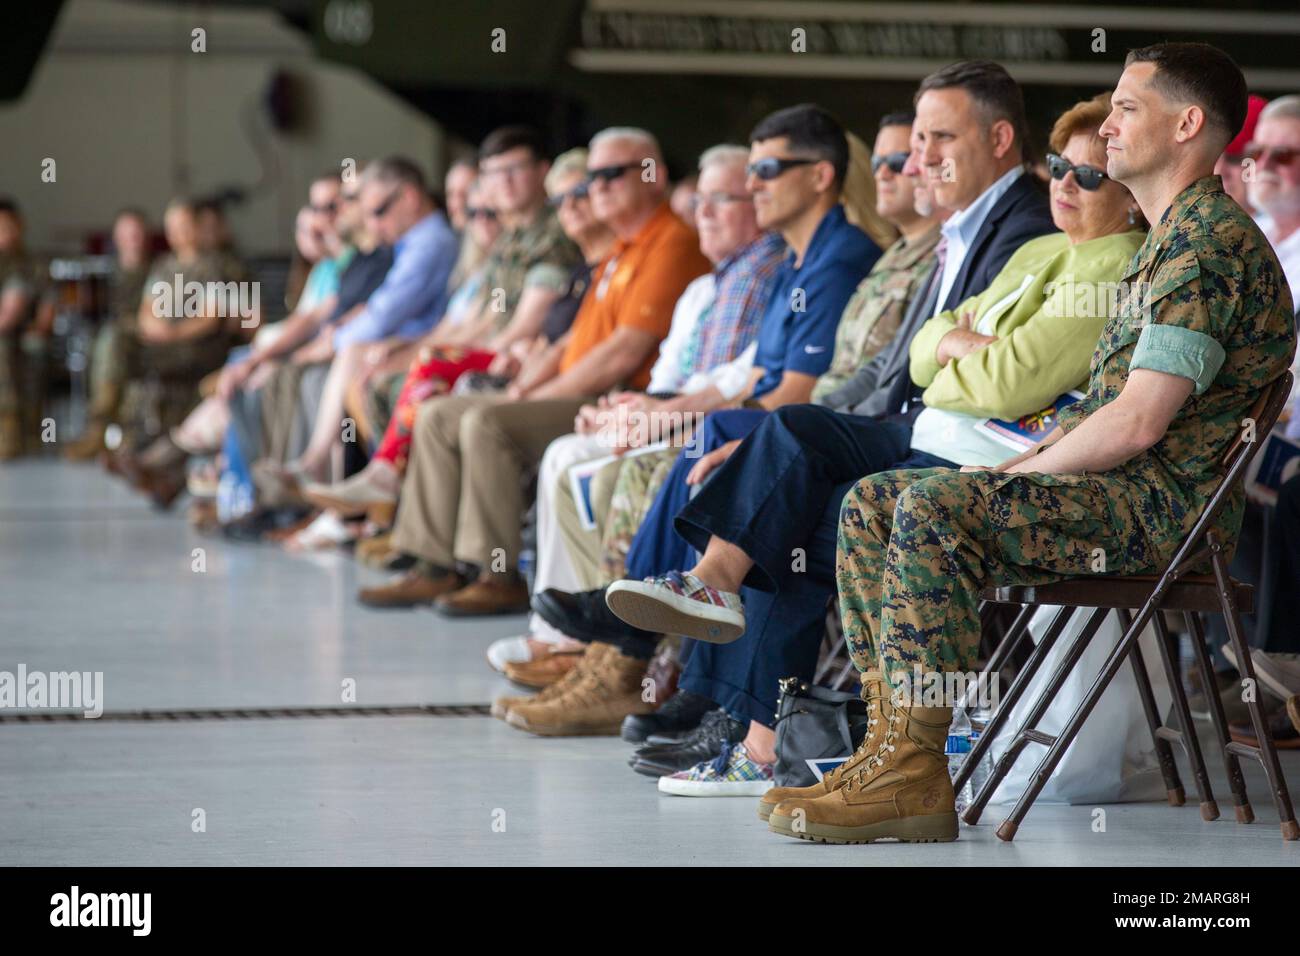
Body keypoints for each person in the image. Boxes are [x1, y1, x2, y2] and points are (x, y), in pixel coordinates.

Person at [766, 41, 1292, 845]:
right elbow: (1114, 410)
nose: (1107, 126)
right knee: (876, 502)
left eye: (1126, 107)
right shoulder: (1170, 235)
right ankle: (891, 750)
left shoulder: (1207, 245)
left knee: (934, 510)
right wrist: (1022, 466)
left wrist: (1027, 468)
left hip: (1159, 514)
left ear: (1187, 125)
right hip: (1121, 496)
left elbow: (1139, 421)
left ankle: (913, 775)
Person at [600, 93, 1146, 794]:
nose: (1065, 187)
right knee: (790, 430)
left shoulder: (1111, 265)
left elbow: (1014, 380)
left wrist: (959, 351)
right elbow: (919, 350)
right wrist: (954, 345)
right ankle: (713, 590)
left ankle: (759, 740)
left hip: (984, 456)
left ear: (1129, 196)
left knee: (788, 511)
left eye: (1089, 176)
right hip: (927, 429)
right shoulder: (1042, 247)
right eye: (1058, 169)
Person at [537, 62, 1058, 745]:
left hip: (966, 443)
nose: (919, 159)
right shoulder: (950, 232)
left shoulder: (1020, 226)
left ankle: (740, 722)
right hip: (917, 425)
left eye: (937, 139)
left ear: (998, 139)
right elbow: (897, 363)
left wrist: (801, 433)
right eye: (914, 142)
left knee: (783, 489)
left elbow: (965, 370)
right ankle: (739, 712)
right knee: (776, 461)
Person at [357, 126, 710, 616]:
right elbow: (568, 341)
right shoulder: (622, 248)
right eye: (591, 179)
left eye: (611, 175)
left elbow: (622, 354)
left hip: (617, 398)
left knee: (488, 422)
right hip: (577, 389)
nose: (595, 188)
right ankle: (434, 563)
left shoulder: (671, 241)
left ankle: (494, 573)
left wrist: (532, 400)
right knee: (437, 413)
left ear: (655, 176)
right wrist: (525, 386)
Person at [492, 141, 786, 706]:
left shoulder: (769, 269)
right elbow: (668, 368)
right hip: (678, 412)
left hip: (716, 422)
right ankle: (573, 640)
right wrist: (626, 407)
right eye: (700, 200)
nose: (702, 212)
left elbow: (750, 377)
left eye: (720, 200)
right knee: (570, 453)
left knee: (591, 466)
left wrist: (656, 412)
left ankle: (621, 656)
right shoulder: (709, 282)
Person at [63, 208, 155, 460]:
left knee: (112, 340)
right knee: (107, 342)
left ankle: (99, 427)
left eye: (137, 233)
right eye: (127, 234)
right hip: (107, 341)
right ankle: (106, 430)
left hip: (146, 338)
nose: (133, 239)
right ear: (116, 238)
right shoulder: (104, 272)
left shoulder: (157, 270)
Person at [0, 199, 54, 459]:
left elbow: (48, 305)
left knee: (27, 346)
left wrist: (41, 326)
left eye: (9, 226)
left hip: (25, 331)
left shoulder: (33, 264)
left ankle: (16, 428)